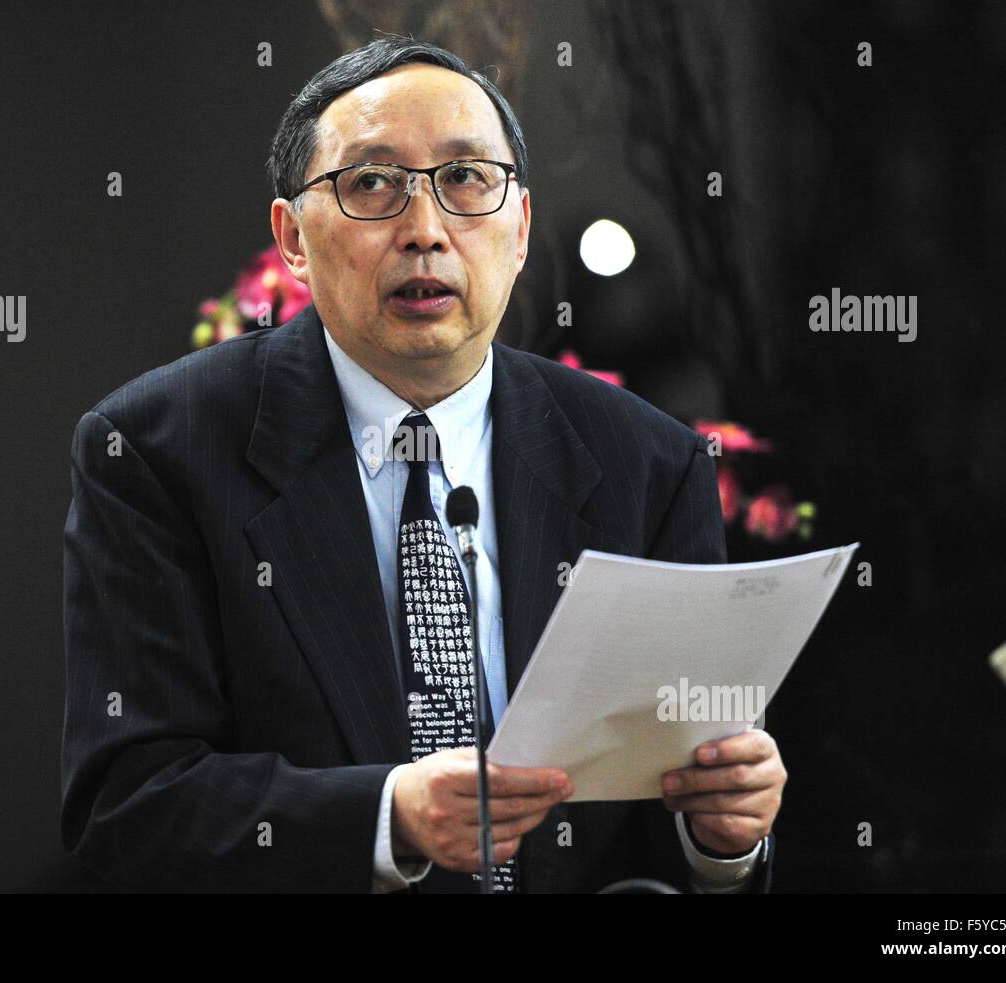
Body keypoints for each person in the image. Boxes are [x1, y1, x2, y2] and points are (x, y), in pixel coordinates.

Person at [60, 35, 785, 893]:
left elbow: (664, 828)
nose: (426, 231)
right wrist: (387, 817)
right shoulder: (157, 452)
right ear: (292, 239)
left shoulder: (650, 463)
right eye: (371, 184)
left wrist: (723, 837)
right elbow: (126, 808)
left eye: (466, 179)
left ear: (518, 230)